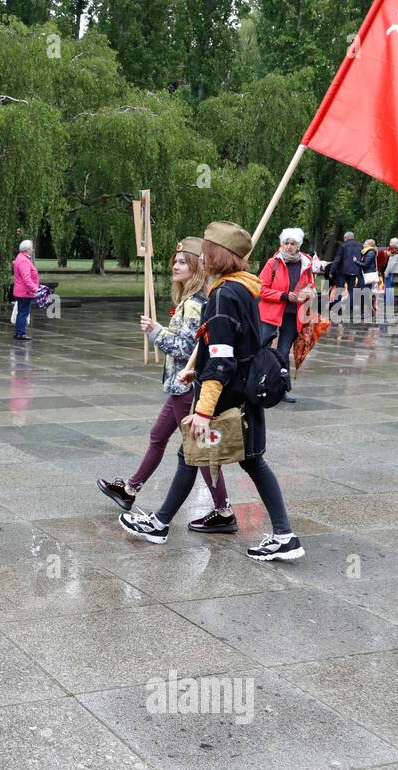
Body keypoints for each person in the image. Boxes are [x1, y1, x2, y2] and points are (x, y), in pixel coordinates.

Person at [118, 220, 305, 562]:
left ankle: (282, 534)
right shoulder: (243, 289)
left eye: (205, 251)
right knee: (209, 458)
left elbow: (222, 360)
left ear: (218, 255)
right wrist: (195, 369)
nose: (201, 258)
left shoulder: (221, 295)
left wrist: (203, 410)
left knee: (206, 457)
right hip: (242, 392)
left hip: (226, 397)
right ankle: (282, 534)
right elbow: (225, 346)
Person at [96, 237, 235, 533]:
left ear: (197, 267)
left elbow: (188, 349)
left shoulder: (196, 305)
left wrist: (156, 332)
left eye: (183, 262)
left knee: (199, 453)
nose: (175, 265)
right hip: (178, 387)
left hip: (188, 390)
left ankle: (223, 511)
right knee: (159, 436)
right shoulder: (186, 301)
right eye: (175, 261)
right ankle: (130, 489)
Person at [257, 227, 314, 404]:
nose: (289, 247)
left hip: (292, 314)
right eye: (286, 243)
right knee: (261, 347)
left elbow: (310, 285)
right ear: (281, 244)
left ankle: (281, 389)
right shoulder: (272, 263)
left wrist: (308, 293)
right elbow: (260, 288)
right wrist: (283, 295)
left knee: (283, 352)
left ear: (299, 245)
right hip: (270, 313)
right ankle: (254, 382)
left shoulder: (306, 263)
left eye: (293, 244)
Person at [12, 238, 39, 340]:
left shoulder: (21, 257)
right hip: (25, 292)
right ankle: (20, 333)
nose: (33, 249)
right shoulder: (24, 260)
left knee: (21, 312)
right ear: (27, 249)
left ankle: (19, 332)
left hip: (22, 291)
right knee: (23, 313)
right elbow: (26, 278)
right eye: (32, 248)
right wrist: (35, 289)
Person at [334, 231, 362, 317]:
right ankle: (350, 309)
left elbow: (338, 259)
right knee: (351, 290)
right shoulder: (360, 246)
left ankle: (337, 309)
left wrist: (332, 270)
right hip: (355, 271)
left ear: (346, 238)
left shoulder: (343, 245)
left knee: (339, 289)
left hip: (343, 271)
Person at [383, 237, 398, 309]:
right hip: (395, 270)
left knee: (387, 285)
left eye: (391, 242)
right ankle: (390, 300)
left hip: (391, 270)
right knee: (389, 285)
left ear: (395, 243)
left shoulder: (395, 249)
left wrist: (386, 271)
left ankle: (388, 301)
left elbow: (392, 262)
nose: (389, 243)